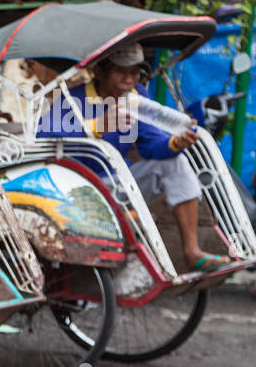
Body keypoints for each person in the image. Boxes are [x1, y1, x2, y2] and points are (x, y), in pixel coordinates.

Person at [38, 42, 228, 272]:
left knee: (176, 162)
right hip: (79, 189)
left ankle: (192, 251)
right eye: (121, 71)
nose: (129, 80)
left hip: (120, 183)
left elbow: (151, 144)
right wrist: (97, 125)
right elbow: (44, 132)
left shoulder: (137, 97)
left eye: (134, 73)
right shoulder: (72, 98)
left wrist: (173, 143)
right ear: (100, 71)